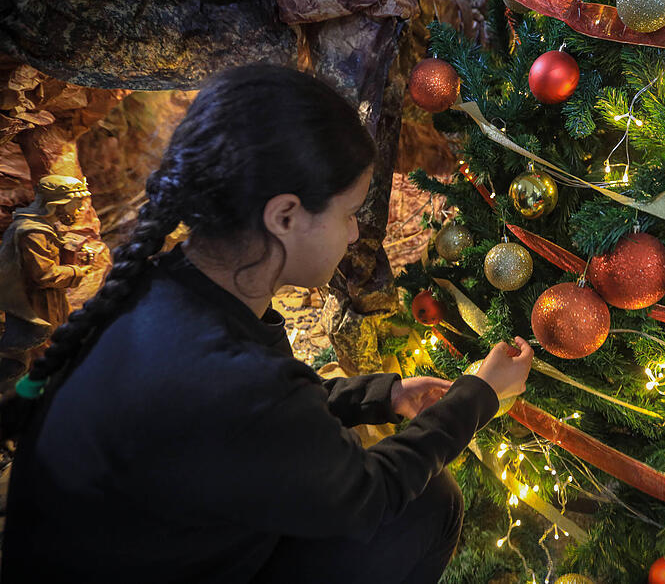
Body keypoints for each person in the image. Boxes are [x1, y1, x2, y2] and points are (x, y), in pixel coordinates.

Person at [1, 65, 533, 583]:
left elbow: (247, 424)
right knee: (428, 505)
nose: (353, 235)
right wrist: (478, 394)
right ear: (285, 216)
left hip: (129, 544)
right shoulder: (234, 379)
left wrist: (381, 395)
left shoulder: (160, 286)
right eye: (349, 213)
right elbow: (366, 495)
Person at [0, 175, 93, 386]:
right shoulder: (32, 232)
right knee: (23, 356)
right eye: (75, 206)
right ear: (55, 205)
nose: (78, 211)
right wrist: (78, 271)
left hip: (48, 301)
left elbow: (53, 244)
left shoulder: (42, 225)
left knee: (50, 348)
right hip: (34, 306)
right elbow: (43, 274)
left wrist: (72, 248)